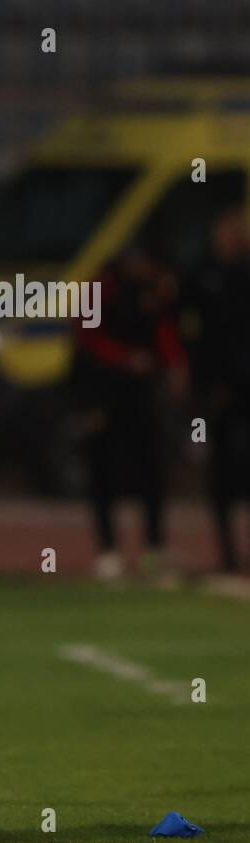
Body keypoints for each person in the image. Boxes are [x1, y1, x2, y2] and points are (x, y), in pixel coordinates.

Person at [72, 246, 186, 580]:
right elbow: (86, 338)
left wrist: (175, 364)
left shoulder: (152, 294)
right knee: (102, 470)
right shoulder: (97, 290)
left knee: (151, 469)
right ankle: (108, 550)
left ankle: (155, 547)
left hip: (141, 396)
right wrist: (123, 358)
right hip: (102, 394)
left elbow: (164, 333)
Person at [181, 207, 250, 572]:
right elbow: (183, 327)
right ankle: (227, 551)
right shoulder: (200, 276)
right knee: (220, 469)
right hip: (217, 390)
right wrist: (195, 376)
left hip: (244, 387)